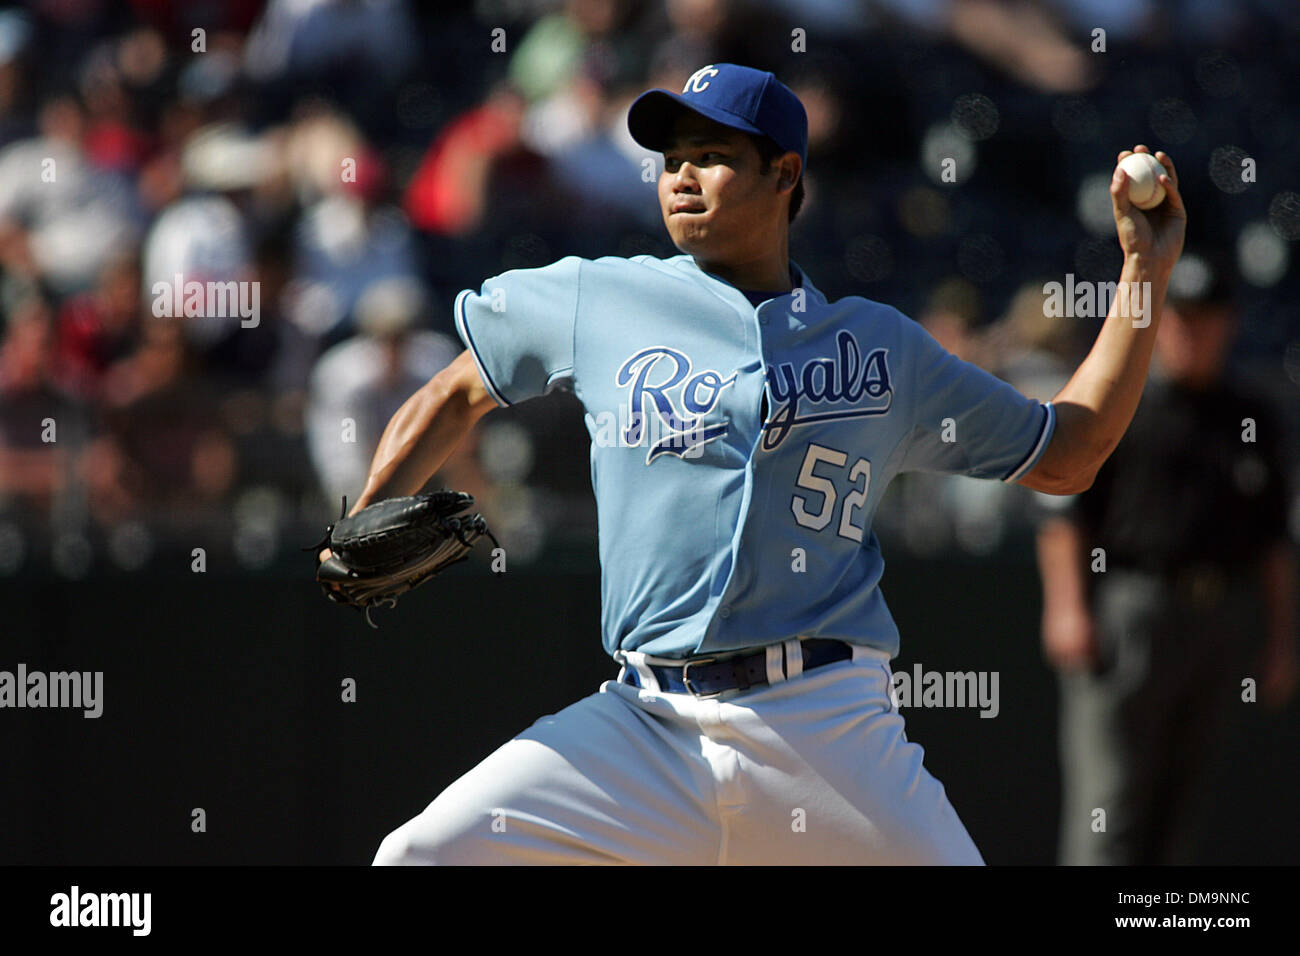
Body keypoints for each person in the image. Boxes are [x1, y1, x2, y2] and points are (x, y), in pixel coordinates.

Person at [322, 63, 1186, 864]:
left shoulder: (879, 346)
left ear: (784, 174)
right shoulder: (600, 296)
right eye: (671, 160)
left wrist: (1142, 273)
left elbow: (1068, 453)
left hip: (825, 728)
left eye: (712, 155)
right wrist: (363, 516)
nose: (682, 176)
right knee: (417, 857)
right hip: (647, 724)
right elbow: (454, 392)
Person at [1037, 254, 1296, 865]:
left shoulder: (1250, 417)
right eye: (1179, 317)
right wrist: (1067, 608)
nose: (1190, 331)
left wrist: (1283, 642)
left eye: (1205, 318)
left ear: (1229, 324)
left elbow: (1275, 543)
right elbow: (1063, 514)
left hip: (1218, 617)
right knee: (1110, 802)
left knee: (1181, 805)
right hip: (1130, 610)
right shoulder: (1123, 407)